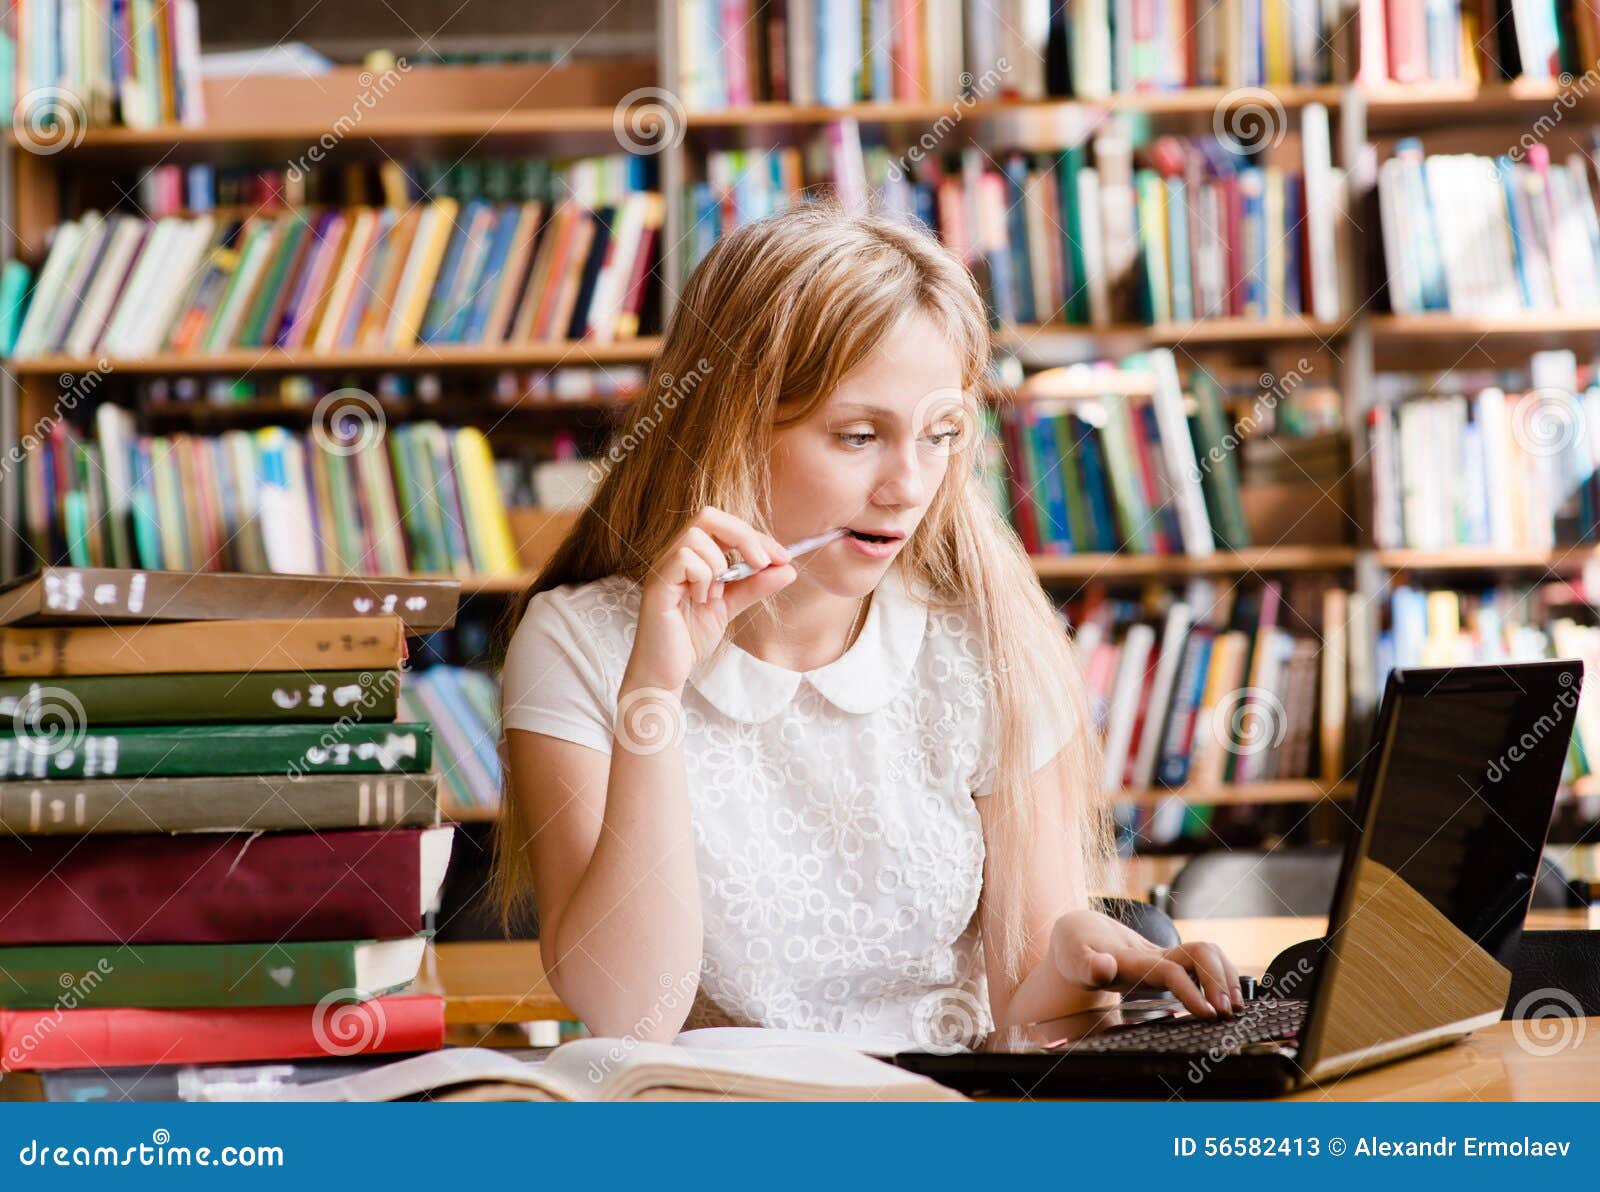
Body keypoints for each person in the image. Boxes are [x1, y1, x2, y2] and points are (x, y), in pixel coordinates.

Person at [492, 201, 1241, 1046]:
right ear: (729, 428)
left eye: (941, 435)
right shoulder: (577, 644)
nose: (909, 485)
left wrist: (1063, 974)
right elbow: (630, 1013)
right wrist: (655, 692)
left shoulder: (990, 641)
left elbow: (1026, 1062)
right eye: (858, 436)